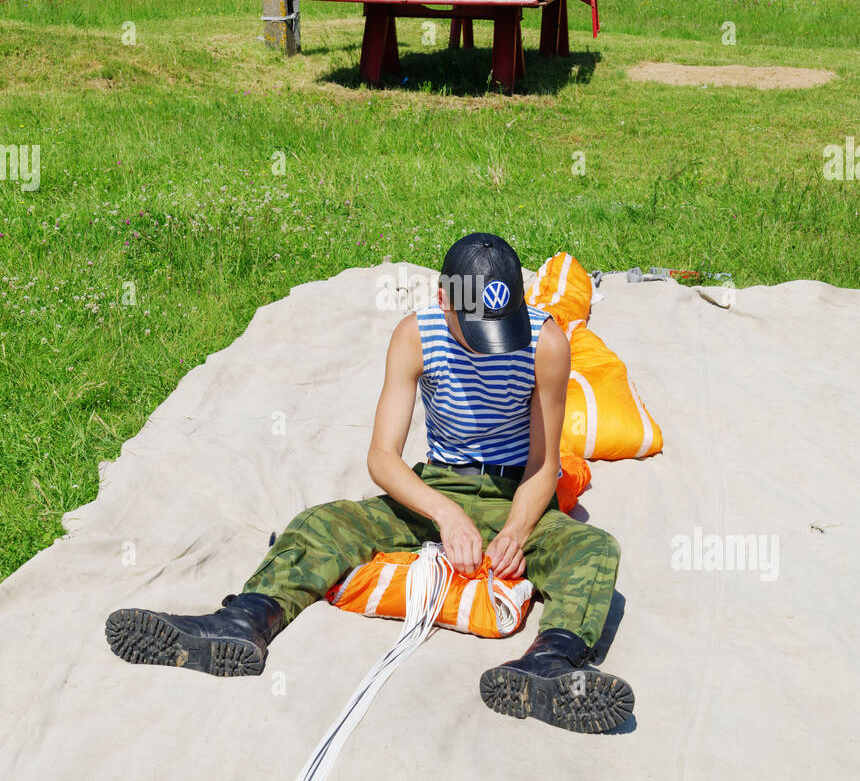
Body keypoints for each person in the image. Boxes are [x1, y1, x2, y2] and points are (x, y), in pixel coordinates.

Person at [106, 233, 634, 733]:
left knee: (591, 547)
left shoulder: (546, 343)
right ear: (443, 298)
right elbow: (383, 458)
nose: (487, 348)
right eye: (473, 330)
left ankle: (548, 665)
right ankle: (244, 622)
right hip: (435, 490)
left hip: (511, 493)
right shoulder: (415, 335)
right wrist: (445, 515)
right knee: (324, 523)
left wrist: (517, 532)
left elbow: (543, 465)